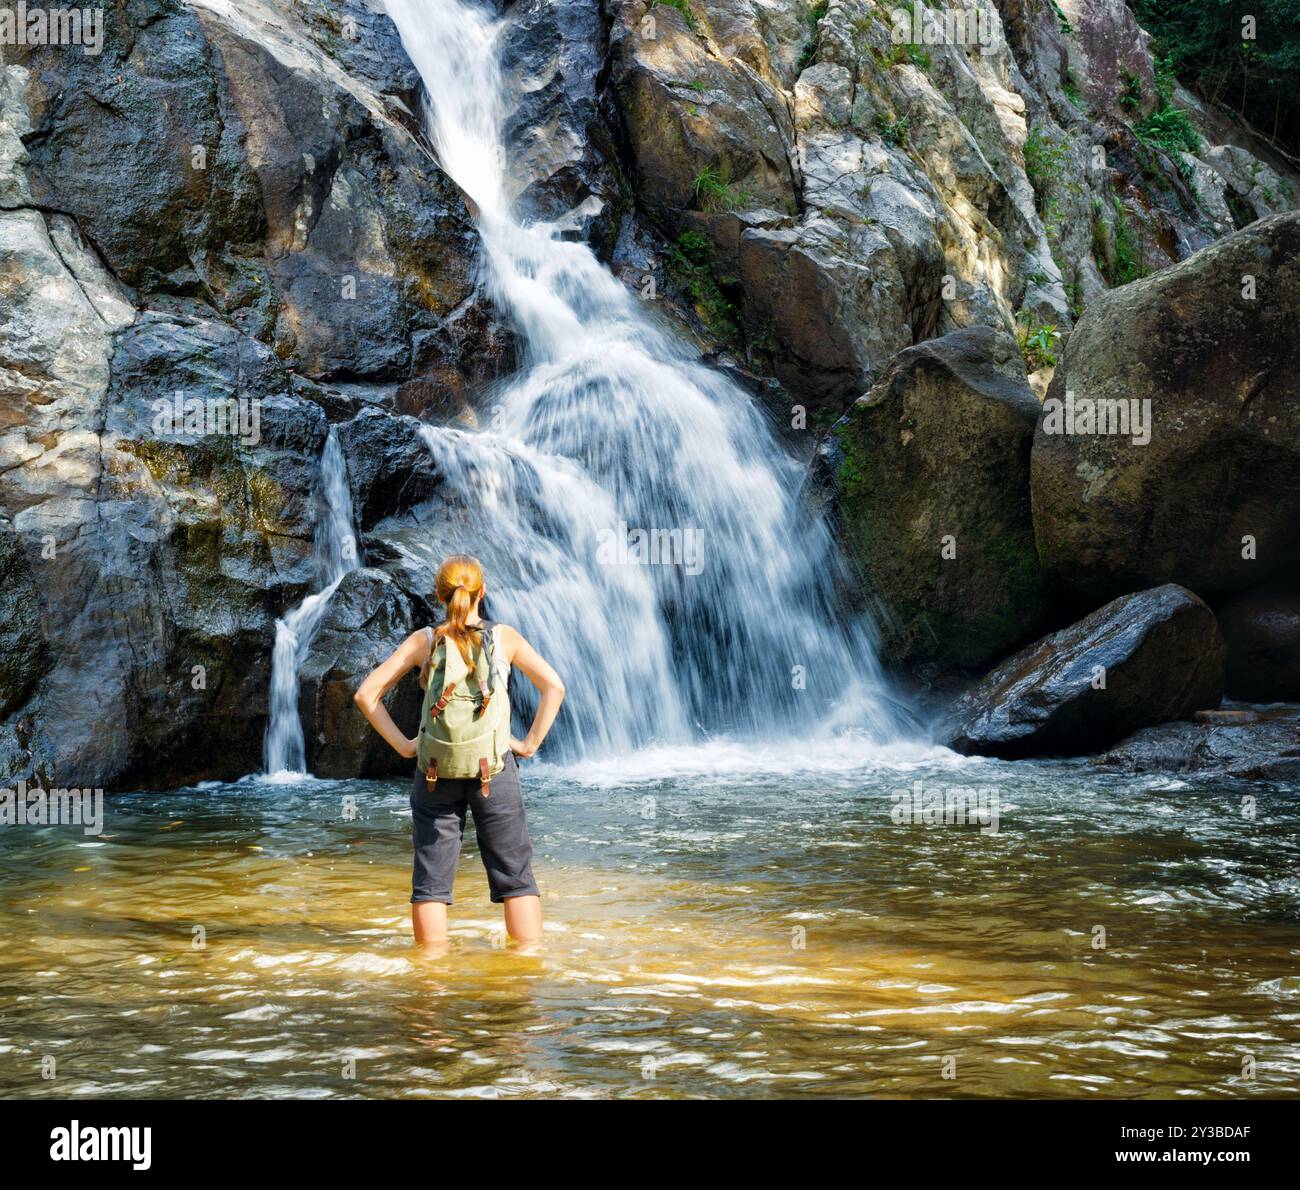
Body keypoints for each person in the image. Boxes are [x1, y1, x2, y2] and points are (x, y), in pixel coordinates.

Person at [353, 555, 565, 945]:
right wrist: (529, 744)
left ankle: (432, 980)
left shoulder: (426, 640)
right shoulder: (505, 638)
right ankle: (526, 971)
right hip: (495, 771)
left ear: (439, 595)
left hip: (435, 772)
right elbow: (554, 687)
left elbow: (366, 694)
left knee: (431, 882)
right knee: (515, 876)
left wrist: (404, 746)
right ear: (481, 592)